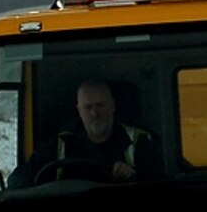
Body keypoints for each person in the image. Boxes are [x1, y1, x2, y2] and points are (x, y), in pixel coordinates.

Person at [11, 77, 161, 186]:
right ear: (79, 111)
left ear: (113, 106)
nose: (95, 113)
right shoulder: (60, 145)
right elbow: (18, 181)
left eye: (101, 105)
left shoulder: (138, 142)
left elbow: (161, 186)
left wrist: (134, 177)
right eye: (88, 107)